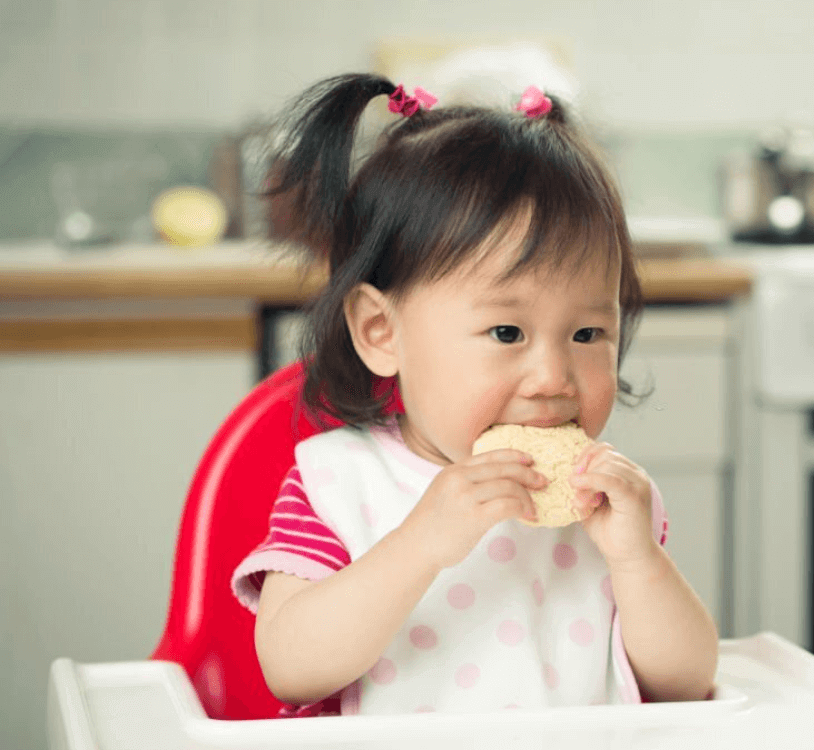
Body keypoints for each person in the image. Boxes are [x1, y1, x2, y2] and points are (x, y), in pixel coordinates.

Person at [231, 73, 719, 716]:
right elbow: (290, 670)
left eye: (588, 332)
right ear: (381, 332)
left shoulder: (605, 503)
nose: (553, 378)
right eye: (507, 331)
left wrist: (637, 560)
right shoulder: (339, 484)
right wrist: (423, 542)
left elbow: (688, 684)